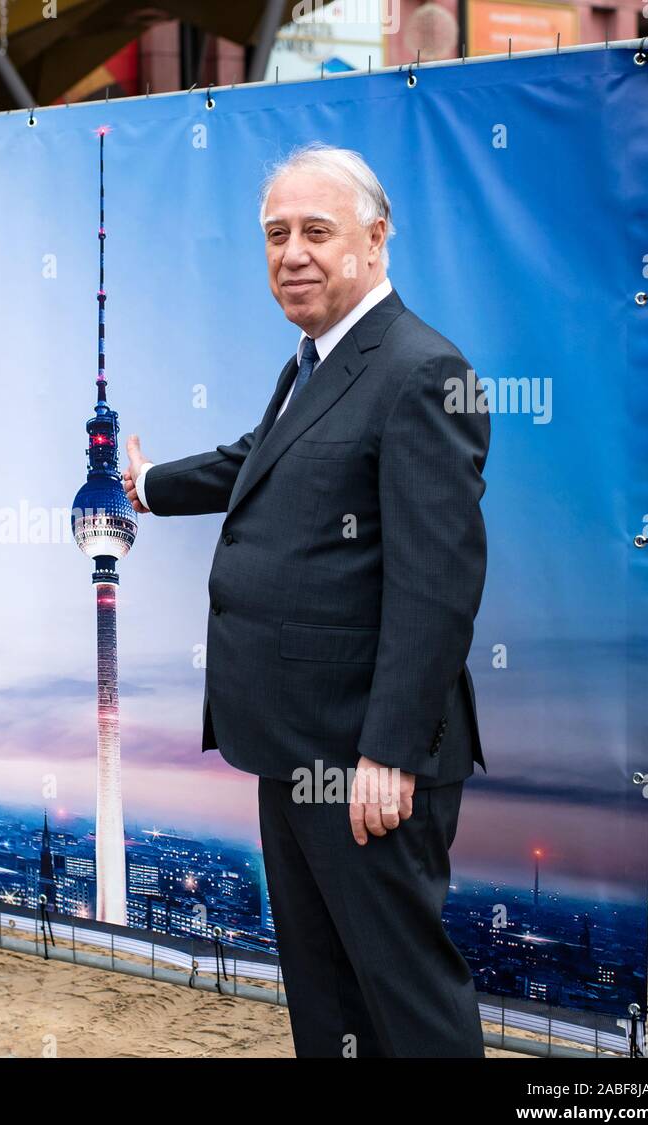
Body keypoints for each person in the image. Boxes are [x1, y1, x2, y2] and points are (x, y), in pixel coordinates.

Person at [123, 143, 489, 1057]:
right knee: (328, 998)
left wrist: (388, 752)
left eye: (317, 232)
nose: (293, 253)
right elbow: (260, 455)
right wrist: (148, 486)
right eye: (277, 234)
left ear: (376, 238)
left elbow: (436, 584)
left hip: (364, 762)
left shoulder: (420, 372)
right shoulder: (316, 361)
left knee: (406, 1004)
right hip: (292, 743)